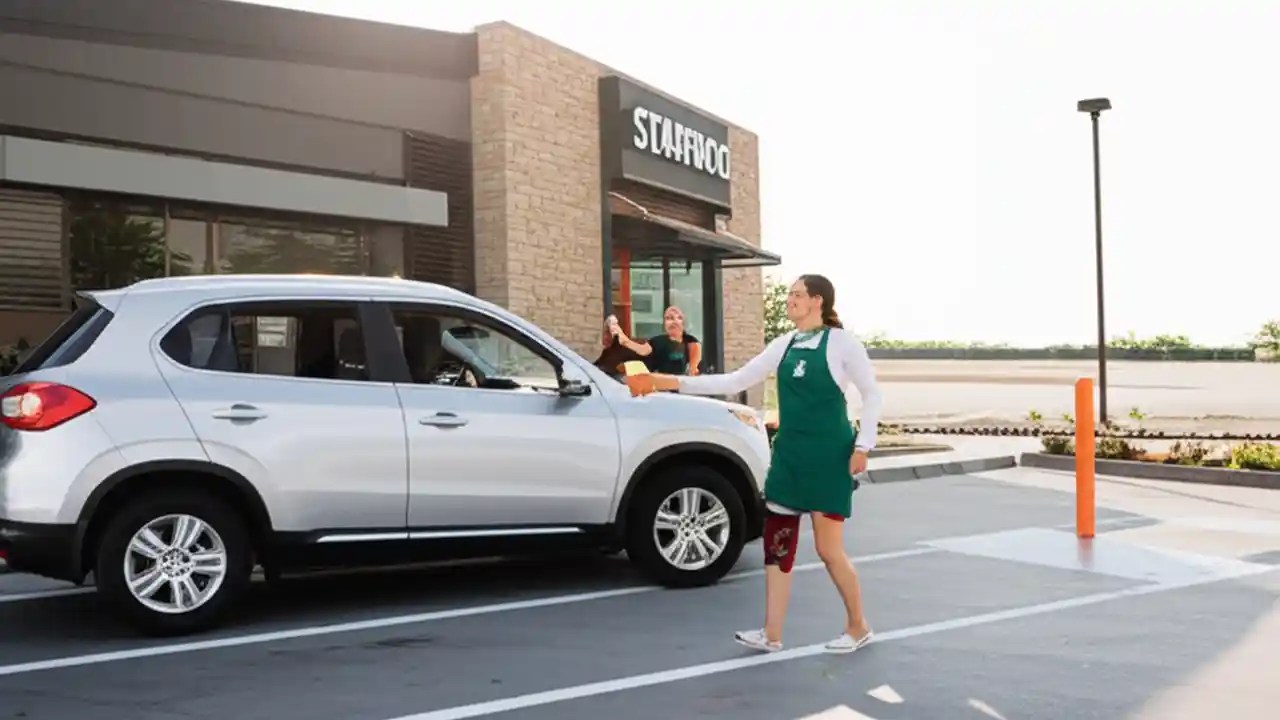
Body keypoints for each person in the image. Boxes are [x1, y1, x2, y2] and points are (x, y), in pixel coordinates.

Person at [644, 274, 883, 655]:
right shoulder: (785, 343)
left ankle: (858, 626)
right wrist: (667, 382)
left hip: (828, 456)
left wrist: (864, 445)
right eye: (789, 294)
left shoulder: (842, 344)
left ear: (817, 301)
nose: (789, 300)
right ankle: (771, 633)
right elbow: (737, 378)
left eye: (796, 295)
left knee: (828, 549)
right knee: (777, 546)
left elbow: (872, 394)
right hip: (788, 456)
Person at [611, 306, 702, 376]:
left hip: (683, 385)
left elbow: (694, 361)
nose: (673, 322)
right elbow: (643, 350)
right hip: (662, 384)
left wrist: (692, 369)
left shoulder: (690, 341)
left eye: (678, 318)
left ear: (683, 323)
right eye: (668, 318)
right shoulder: (658, 341)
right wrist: (625, 341)